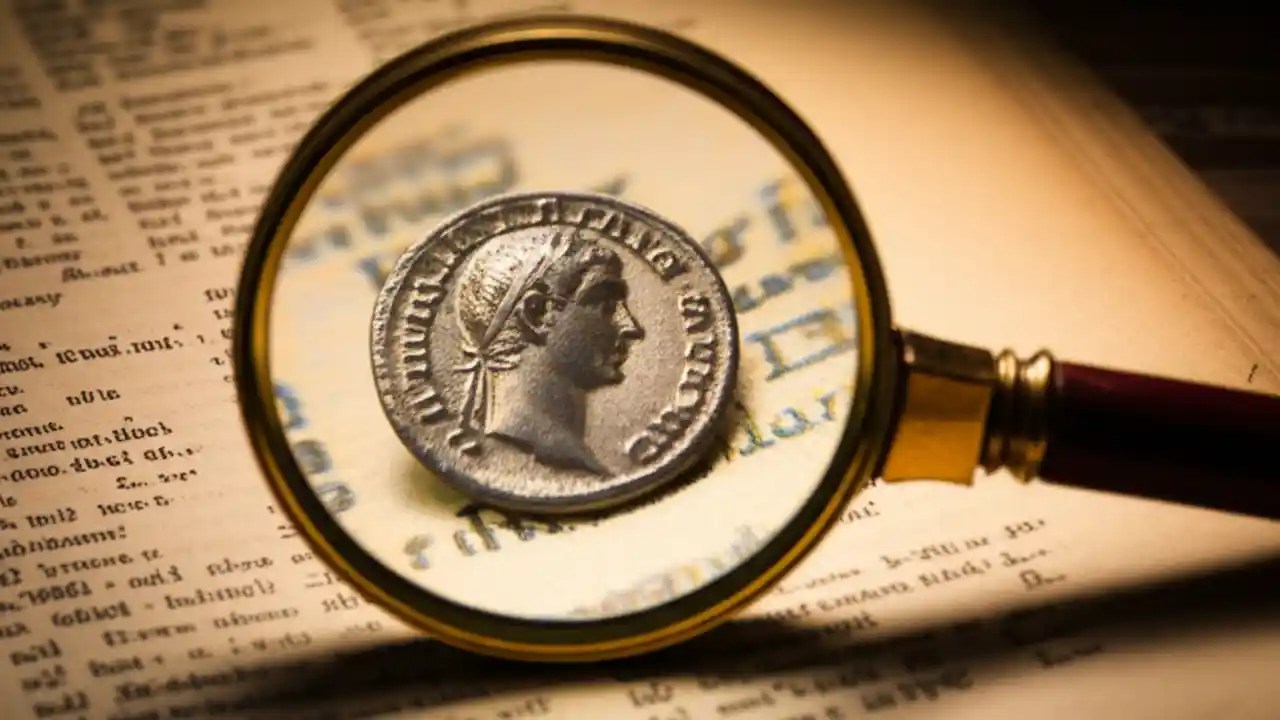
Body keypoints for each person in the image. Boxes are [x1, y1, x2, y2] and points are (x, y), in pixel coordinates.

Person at [453, 227, 644, 475]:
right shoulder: (566, 462)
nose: (631, 328)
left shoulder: (573, 458)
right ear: (538, 316)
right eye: (605, 305)